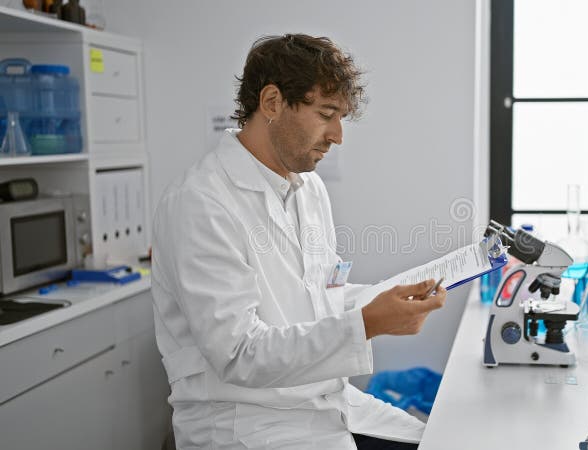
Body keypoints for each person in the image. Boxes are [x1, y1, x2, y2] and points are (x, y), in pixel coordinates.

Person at [151, 34, 447, 450]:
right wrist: (369, 323)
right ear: (272, 102)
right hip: (248, 428)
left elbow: (322, 295)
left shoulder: (307, 187)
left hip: (321, 405)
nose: (338, 135)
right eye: (326, 113)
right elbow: (239, 353)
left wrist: (392, 300)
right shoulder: (200, 202)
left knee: (446, 440)